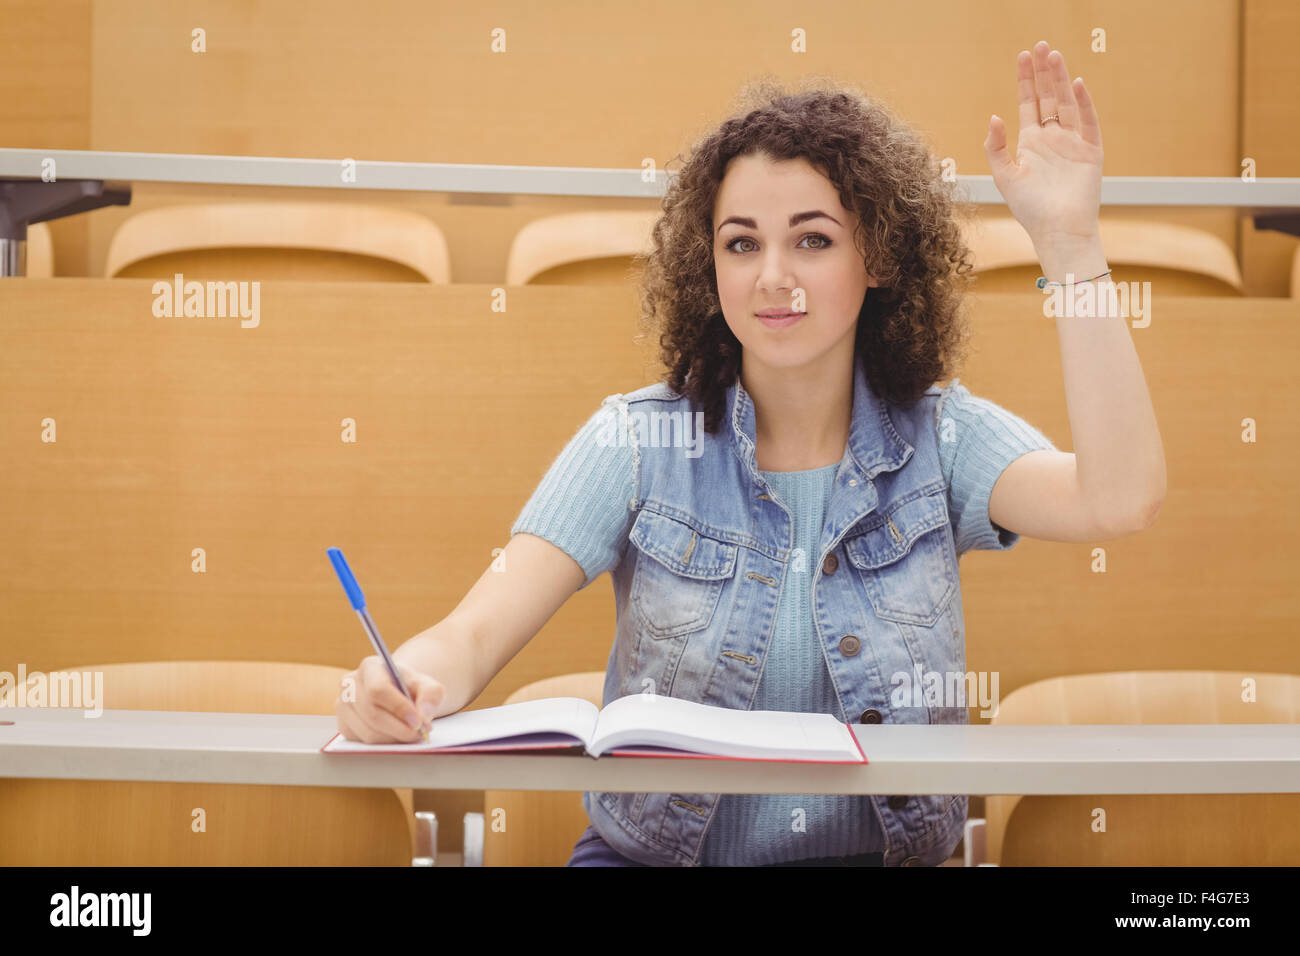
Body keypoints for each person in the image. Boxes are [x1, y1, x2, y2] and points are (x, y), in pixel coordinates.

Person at [335, 41, 1165, 867]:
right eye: (741, 243)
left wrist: (1070, 246)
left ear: (875, 256)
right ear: (710, 265)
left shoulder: (941, 437)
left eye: (812, 240)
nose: (773, 276)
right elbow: (470, 640)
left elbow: (1119, 497)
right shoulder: (632, 441)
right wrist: (395, 682)